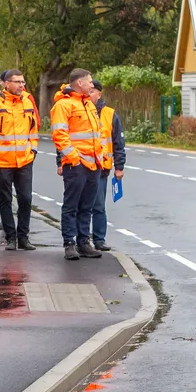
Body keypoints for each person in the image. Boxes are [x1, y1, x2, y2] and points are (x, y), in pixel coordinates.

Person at [50, 68, 105, 261]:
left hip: (93, 164)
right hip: (76, 164)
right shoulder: (64, 105)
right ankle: (69, 243)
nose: (92, 84)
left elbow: (96, 134)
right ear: (79, 83)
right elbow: (59, 134)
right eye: (89, 82)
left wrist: (100, 157)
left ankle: (83, 242)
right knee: (71, 205)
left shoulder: (89, 104)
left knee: (87, 205)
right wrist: (73, 157)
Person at [0, 69, 38, 251]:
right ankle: (11, 237)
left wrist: (34, 150)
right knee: (5, 200)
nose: (22, 85)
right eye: (17, 82)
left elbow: (33, 129)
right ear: (6, 83)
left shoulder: (27, 102)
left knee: (25, 199)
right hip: (2, 162)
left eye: (23, 82)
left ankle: (24, 237)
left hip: (24, 160)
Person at [88, 79, 126, 251]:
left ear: (99, 94)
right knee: (80, 206)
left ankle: (99, 239)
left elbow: (118, 142)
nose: (89, 95)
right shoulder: (78, 111)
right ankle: (78, 240)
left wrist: (119, 167)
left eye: (92, 92)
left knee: (98, 206)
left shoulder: (110, 114)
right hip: (80, 165)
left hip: (102, 167)